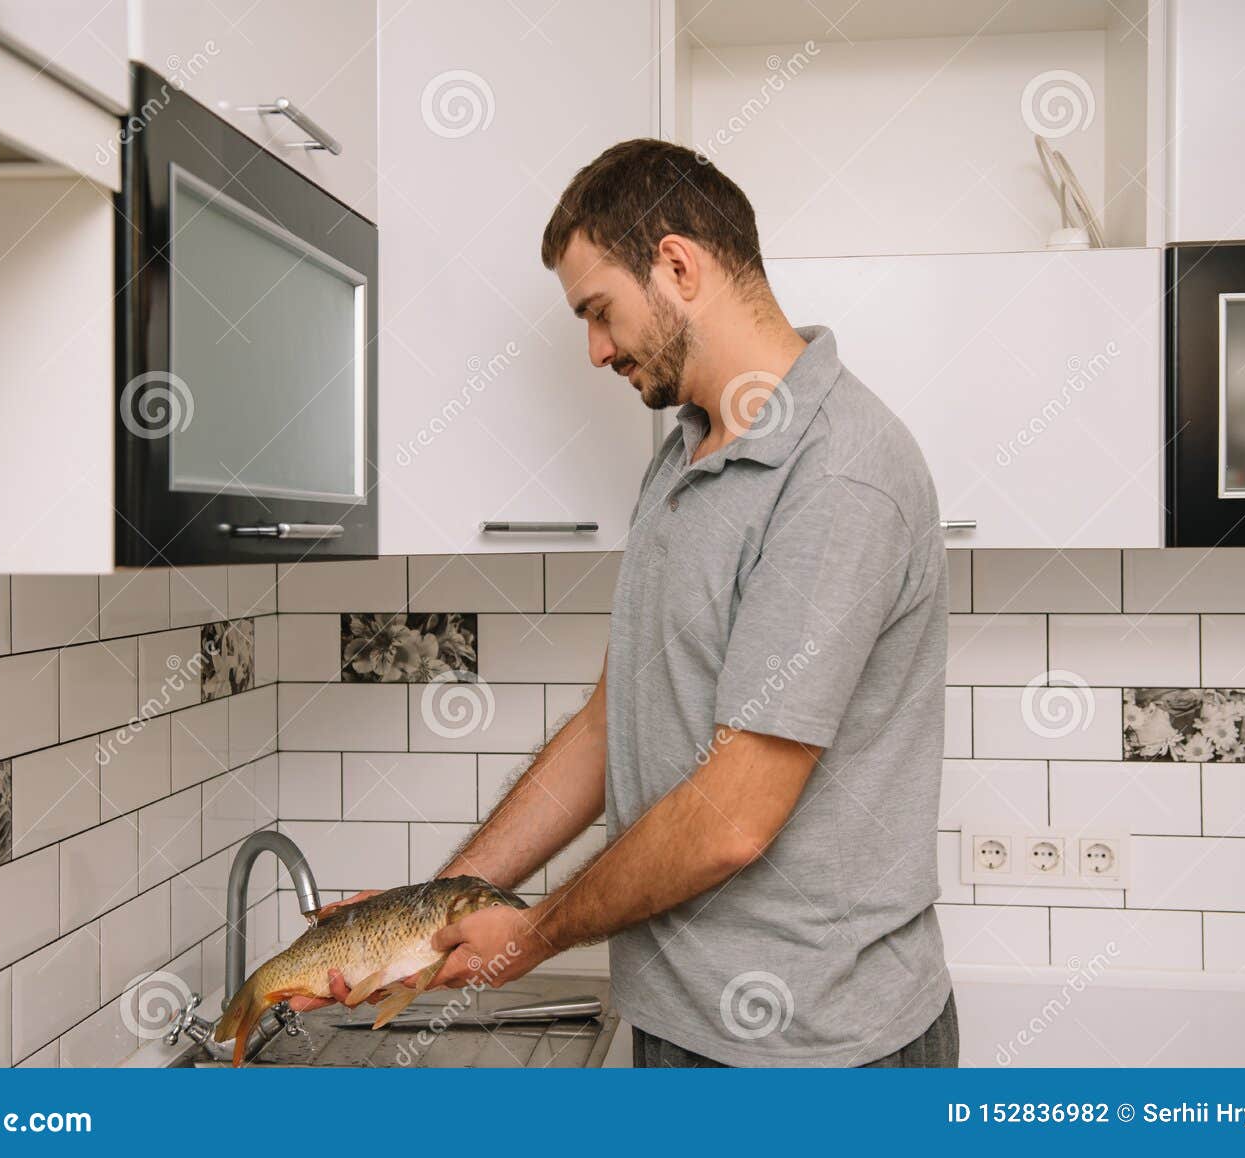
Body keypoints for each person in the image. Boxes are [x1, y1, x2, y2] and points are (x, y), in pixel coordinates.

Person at [300, 138, 956, 1068]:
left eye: (599, 311)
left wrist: (527, 938)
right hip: (681, 1022)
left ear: (678, 265)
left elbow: (732, 820)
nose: (596, 349)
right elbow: (616, 722)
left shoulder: (838, 474)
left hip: (814, 1050)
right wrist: (425, 915)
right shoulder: (687, 447)